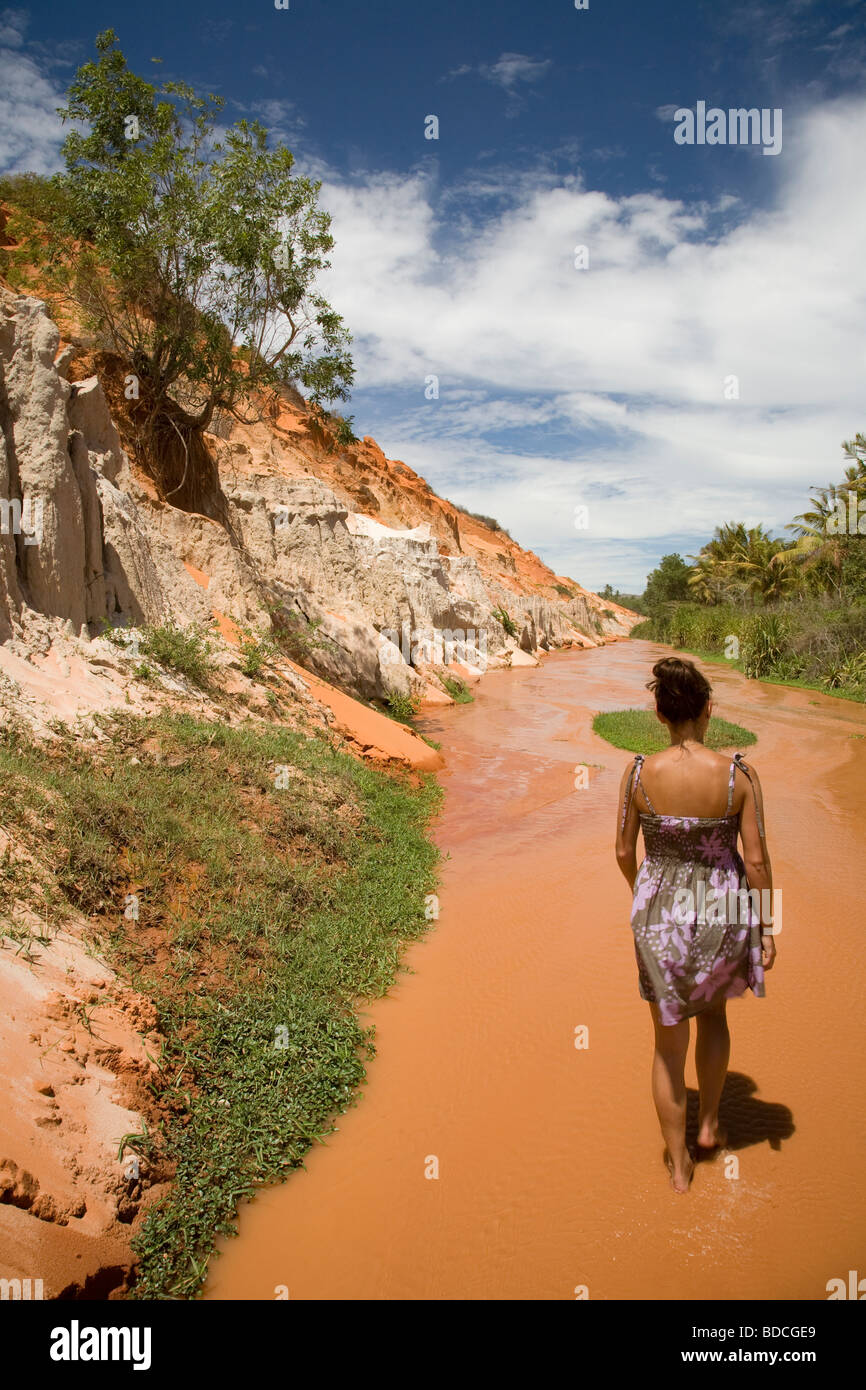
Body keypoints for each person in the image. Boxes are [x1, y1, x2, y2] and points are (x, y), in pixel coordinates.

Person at [615, 657, 777, 1193]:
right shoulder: (737, 776)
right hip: (722, 915)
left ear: (660, 713)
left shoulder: (637, 774)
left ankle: (679, 1167)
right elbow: (754, 862)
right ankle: (708, 1127)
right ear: (708, 709)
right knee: (713, 1020)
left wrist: (647, 894)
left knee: (666, 1046)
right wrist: (768, 928)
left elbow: (621, 851)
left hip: (659, 916)